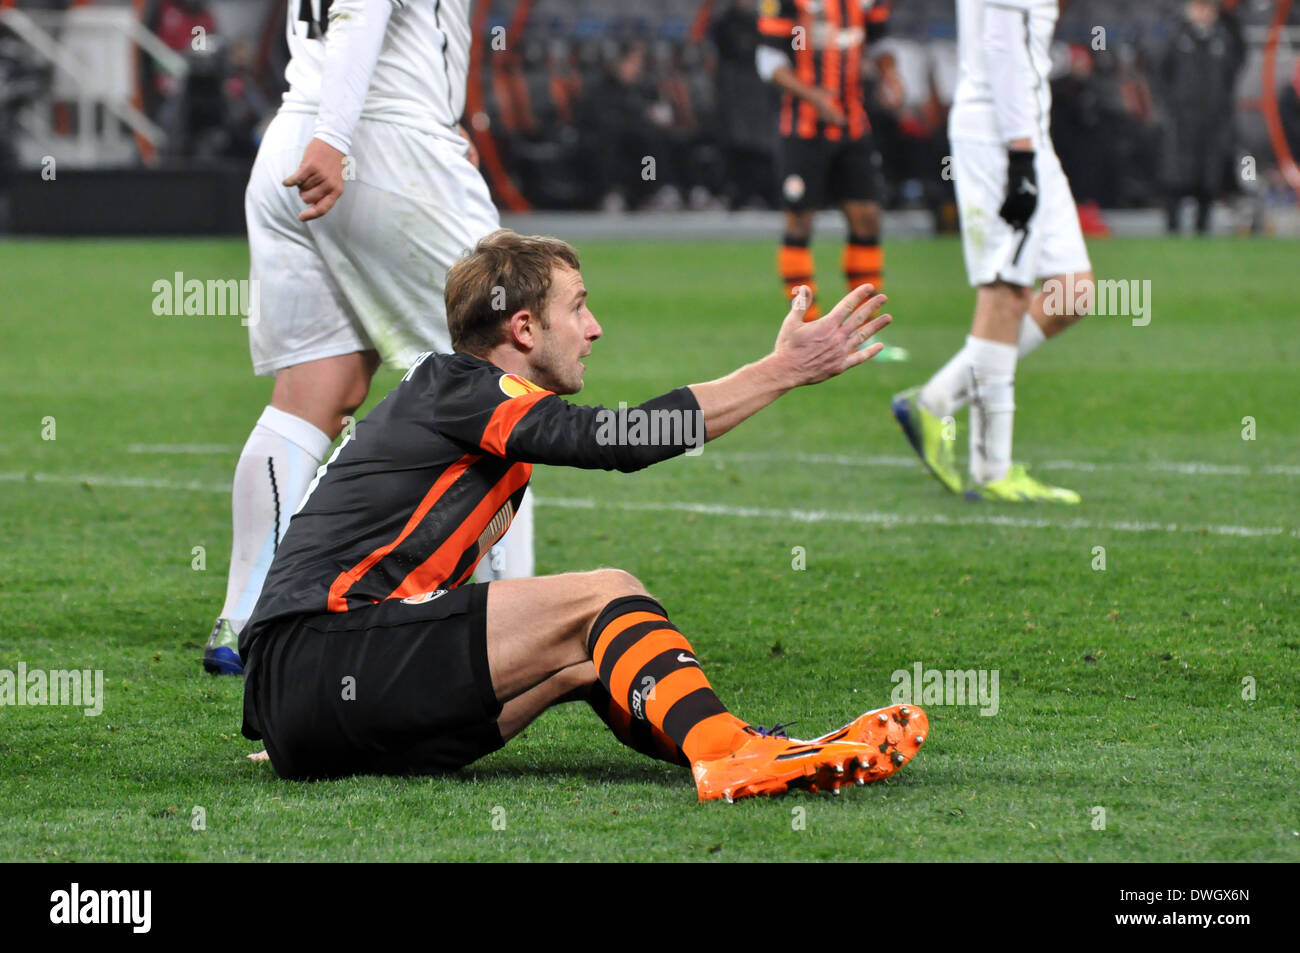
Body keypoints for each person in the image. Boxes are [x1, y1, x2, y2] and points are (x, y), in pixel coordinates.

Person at [238, 229, 928, 802]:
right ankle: (732, 755)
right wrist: (779, 371)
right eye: (578, 308)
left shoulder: (459, 401)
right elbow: (616, 441)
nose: (594, 328)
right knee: (608, 593)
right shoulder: (464, 388)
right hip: (317, 660)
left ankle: (748, 748)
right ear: (524, 326)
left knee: (593, 659)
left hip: (317, 694)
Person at [204, 0, 533, 675]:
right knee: (506, 379)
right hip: (371, 146)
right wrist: (339, 136)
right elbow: (363, 9)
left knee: (313, 391)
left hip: (293, 141)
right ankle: (513, 622)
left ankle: (242, 619)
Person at [891, 0, 1096, 503]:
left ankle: (937, 399)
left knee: (1072, 291)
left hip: (1026, 128)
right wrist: (1021, 153)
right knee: (1006, 290)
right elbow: (1003, 43)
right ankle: (991, 468)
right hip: (1001, 135)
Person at [755, 0, 907, 361]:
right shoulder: (786, 4)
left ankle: (861, 333)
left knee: (867, 217)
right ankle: (806, 330)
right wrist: (814, 96)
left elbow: (880, 43)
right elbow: (769, 63)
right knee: (800, 221)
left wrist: (890, 75)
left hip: (853, 126)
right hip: (802, 130)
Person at [1158, 0, 1245, 235]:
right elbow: (1160, 72)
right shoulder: (1176, 37)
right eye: (1199, 7)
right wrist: (1169, 106)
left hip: (1213, 119)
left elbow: (1237, 64)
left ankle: (1202, 227)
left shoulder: (1225, 38)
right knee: (1177, 175)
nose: (1203, 13)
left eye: (1208, 8)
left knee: (1208, 175)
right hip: (1182, 119)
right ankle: (1172, 227)